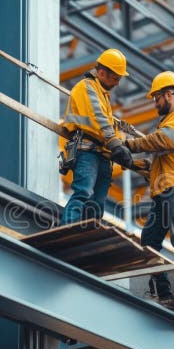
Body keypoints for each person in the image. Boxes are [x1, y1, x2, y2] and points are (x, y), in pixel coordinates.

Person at [125, 71, 174, 315]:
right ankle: (164, 291)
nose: (155, 103)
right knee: (149, 239)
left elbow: (165, 141)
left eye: (157, 97)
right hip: (166, 190)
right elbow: (163, 159)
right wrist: (135, 161)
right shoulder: (169, 121)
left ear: (169, 94)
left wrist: (131, 145)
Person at [60, 49, 134, 224]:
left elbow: (106, 125)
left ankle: (86, 234)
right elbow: (98, 119)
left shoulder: (102, 95)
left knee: (97, 204)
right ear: (101, 73)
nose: (117, 83)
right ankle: (68, 229)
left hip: (101, 154)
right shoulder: (87, 88)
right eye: (115, 78)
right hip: (87, 151)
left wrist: (122, 148)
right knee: (83, 193)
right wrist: (116, 144)